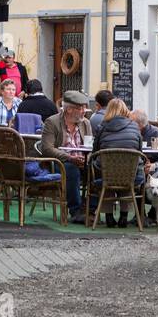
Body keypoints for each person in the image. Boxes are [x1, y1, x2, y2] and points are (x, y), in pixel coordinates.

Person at [40, 90, 93, 223]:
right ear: (69, 109)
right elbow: (47, 148)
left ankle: (91, 210)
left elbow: (90, 145)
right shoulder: (52, 122)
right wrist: (69, 158)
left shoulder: (85, 123)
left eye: (84, 108)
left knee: (98, 169)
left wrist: (88, 158)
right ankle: (75, 211)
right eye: (80, 108)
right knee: (71, 170)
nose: (84, 111)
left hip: (83, 161)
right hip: (60, 163)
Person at [91, 97, 143, 227]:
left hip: (107, 173)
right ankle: (124, 216)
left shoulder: (102, 127)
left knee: (105, 173)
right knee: (127, 174)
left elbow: (95, 150)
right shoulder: (134, 127)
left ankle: (108, 216)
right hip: (130, 174)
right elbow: (139, 149)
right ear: (125, 110)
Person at [132, 109, 158, 224]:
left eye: (131, 121)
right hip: (139, 167)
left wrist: (154, 165)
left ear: (138, 124)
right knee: (135, 174)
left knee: (155, 172)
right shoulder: (132, 133)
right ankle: (139, 215)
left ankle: (153, 214)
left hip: (157, 169)